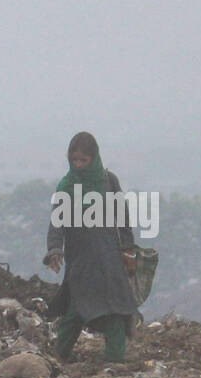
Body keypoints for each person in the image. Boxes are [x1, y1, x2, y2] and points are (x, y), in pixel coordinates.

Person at [44, 131, 139, 364]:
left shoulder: (109, 181)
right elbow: (56, 222)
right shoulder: (67, 186)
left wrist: (128, 249)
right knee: (77, 308)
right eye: (74, 160)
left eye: (83, 160)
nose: (78, 165)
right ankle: (58, 357)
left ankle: (115, 362)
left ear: (94, 158)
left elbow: (122, 218)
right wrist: (55, 250)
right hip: (82, 258)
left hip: (109, 256)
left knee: (116, 308)